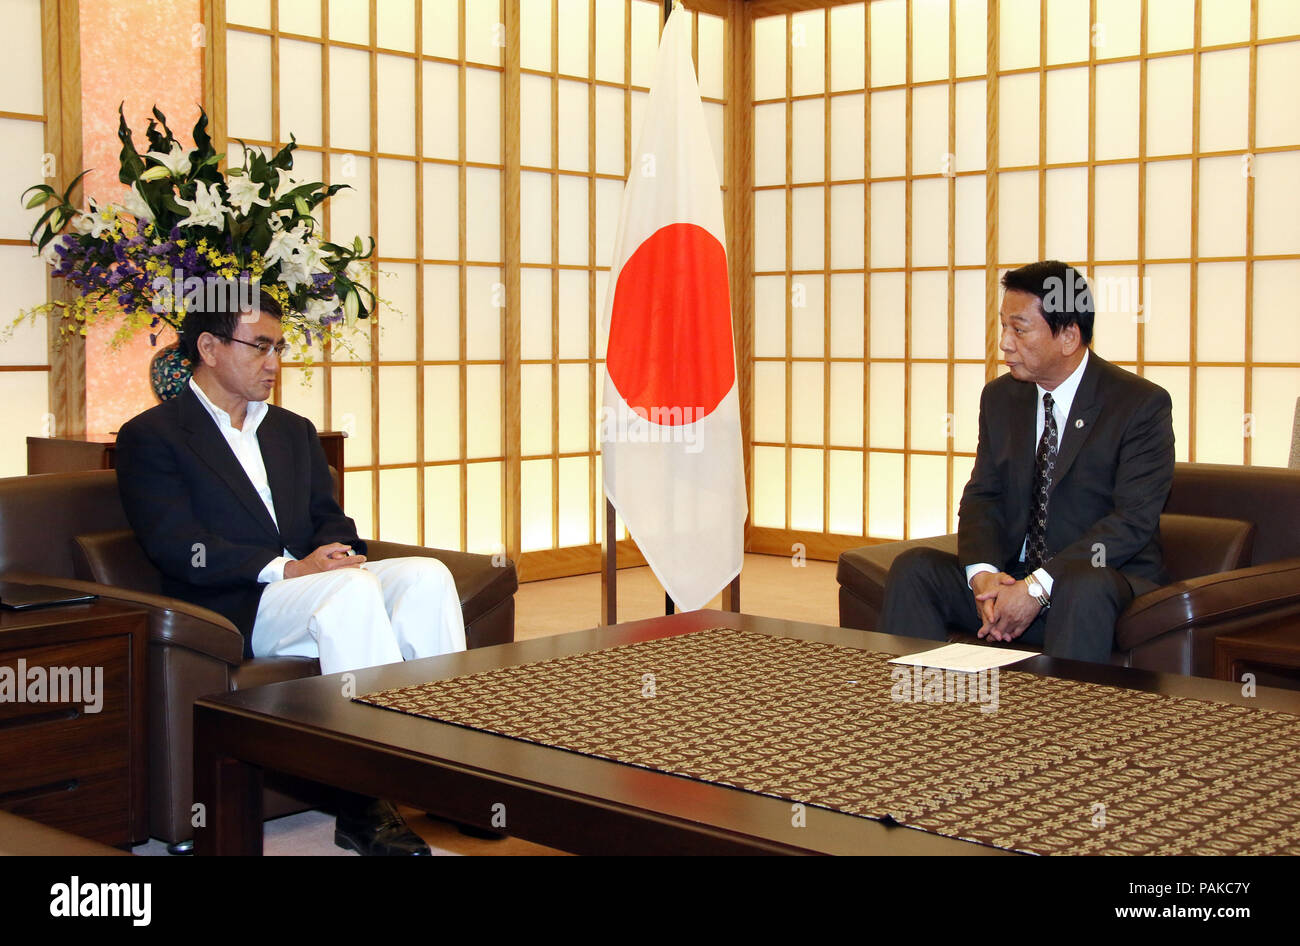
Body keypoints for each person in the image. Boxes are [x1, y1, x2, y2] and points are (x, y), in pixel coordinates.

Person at [116, 288, 464, 855]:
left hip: (314, 585)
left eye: (279, 347)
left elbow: (331, 519)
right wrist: (289, 569)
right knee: (350, 593)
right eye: (260, 347)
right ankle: (363, 802)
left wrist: (333, 551)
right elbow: (178, 547)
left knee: (426, 575)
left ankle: (454, 771)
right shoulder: (153, 437)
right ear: (208, 346)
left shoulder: (291, 430)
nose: (274, 363)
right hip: (236, 605)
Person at [879, 261, 1175, 663]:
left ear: (1068, 336)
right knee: (914, 569)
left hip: (1098, 581)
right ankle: (922, 713)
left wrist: (1037, 587)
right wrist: (983, 575)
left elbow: (1133, 521)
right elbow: (984, 495)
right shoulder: (1001, 398)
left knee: (1080, 586)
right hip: (1012, 576)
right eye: (1003, 326)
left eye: (1019, 329)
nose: (1004, 342)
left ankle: (1061, 724)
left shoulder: (1138, 405)